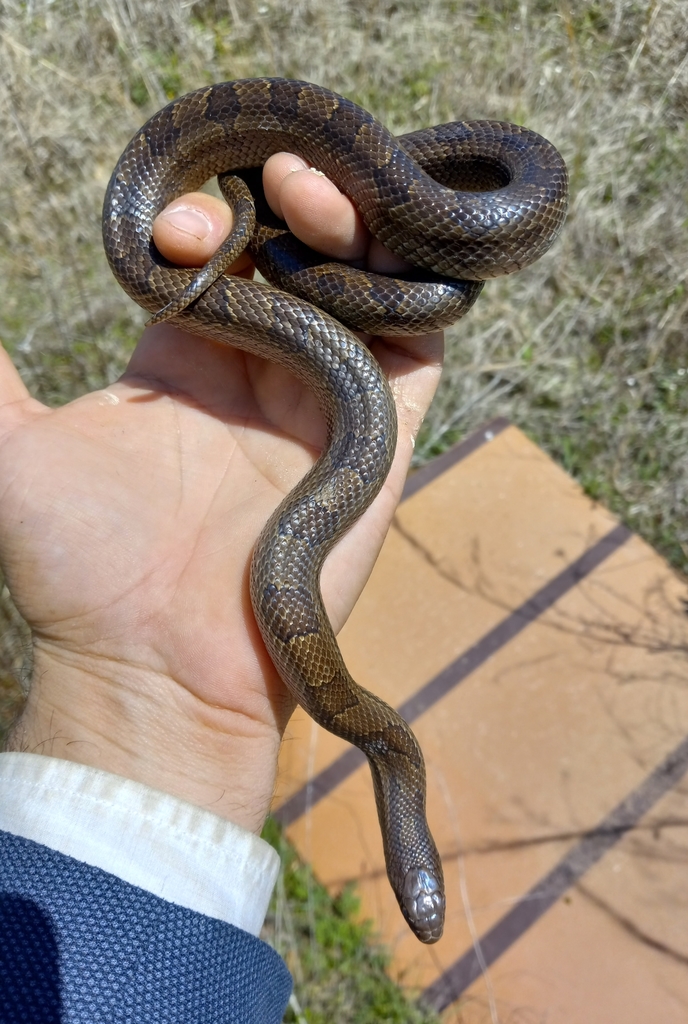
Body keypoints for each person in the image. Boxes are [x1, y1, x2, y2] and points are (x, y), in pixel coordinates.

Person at [0, 152, 445, 1023]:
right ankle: (266, 186)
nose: (417, 906)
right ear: (409, 859)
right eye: (416, 893)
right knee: (312, 218)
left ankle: (269, 192)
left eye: (413, 899)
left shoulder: (386, 737)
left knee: (330, 234)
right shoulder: (379, 735)